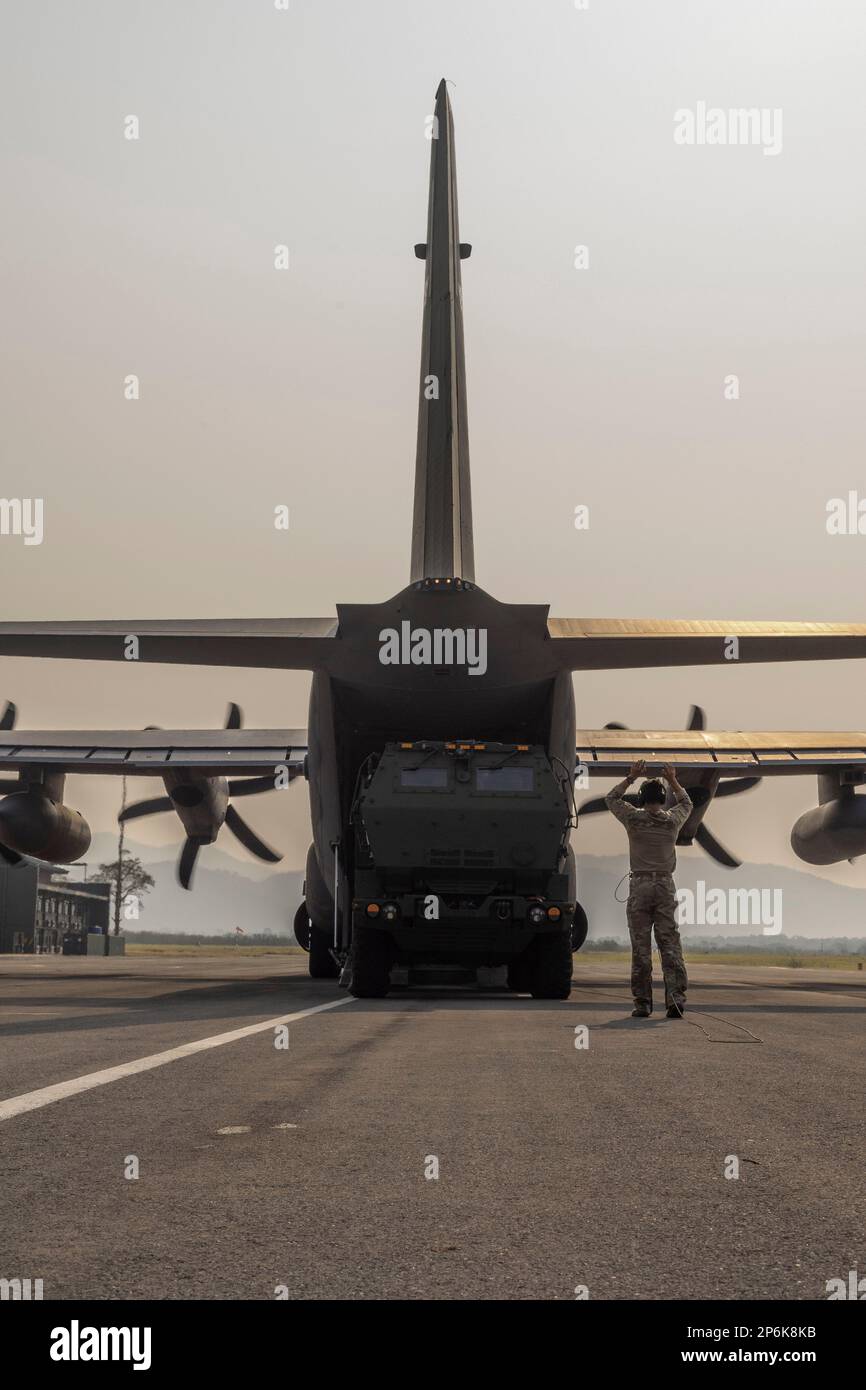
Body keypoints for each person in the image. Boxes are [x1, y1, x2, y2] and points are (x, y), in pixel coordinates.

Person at [605, 760, 692, 1019]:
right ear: (663, 799)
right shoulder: (672, 821)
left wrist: (631, 777)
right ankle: (675, 1000)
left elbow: (611, 798)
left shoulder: (633, 818)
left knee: (641, 947)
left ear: (641, 799)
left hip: (641, 885)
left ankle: (642, 1003)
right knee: (670, 944)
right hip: (665, 885)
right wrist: (674, 780)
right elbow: (686, 803)